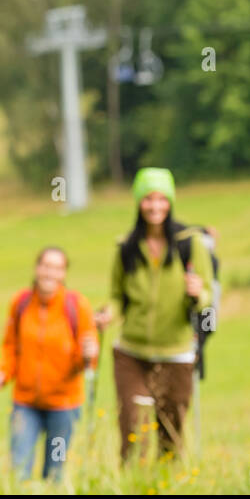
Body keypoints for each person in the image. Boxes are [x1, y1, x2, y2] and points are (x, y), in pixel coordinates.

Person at [94, 167, 212, 465]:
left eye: (162, 198)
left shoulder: (190, 243)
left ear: (170, 202)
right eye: (148, 198)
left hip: (176, 354)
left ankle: (165, 488)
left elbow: (207, 297)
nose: (155, 205)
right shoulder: (126, 248)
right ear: (138, 202)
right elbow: (118, 296)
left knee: (170, 436)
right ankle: (130, 486)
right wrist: (109, 313)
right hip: (131, 353)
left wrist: (198, 293)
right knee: (132, 430)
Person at [0, 246, 97, 482]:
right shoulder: (21, 303)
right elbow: (10, 348)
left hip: (64, 408)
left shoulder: (77, 306)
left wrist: (89, 355)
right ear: (37, 269)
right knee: (18, 469)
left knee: (55, 471)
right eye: (46, 266)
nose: (50, 273)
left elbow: (87, 359)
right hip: (25, 405)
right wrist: (2, 374)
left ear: (64, 274)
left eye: (57, 268)